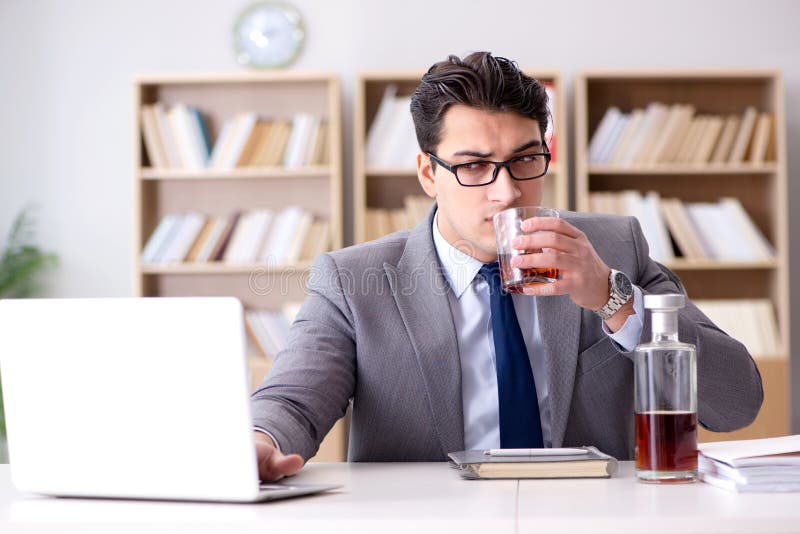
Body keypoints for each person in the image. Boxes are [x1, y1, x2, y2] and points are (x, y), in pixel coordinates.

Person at [251, 52, 763, 481]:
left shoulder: (613, 249)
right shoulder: (353, 281)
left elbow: (736, 402)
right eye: (474, 166)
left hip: (595, 518)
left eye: (525, 159)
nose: (508, 191)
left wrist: (613, 297)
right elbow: (294, 398)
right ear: (429, 173)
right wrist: (258, 441)